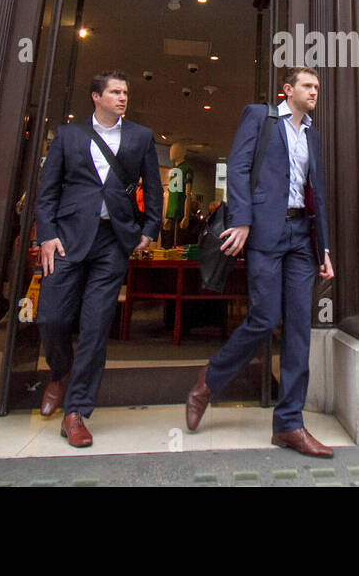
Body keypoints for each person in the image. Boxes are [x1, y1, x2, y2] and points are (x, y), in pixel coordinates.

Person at [185, 66, 336, 457]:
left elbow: (316, 192)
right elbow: (238, 167)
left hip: (302, 237)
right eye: (307, 85)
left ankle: (289, 424)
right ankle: (208, 382)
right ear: (288, 90)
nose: (314, 91)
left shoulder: (313, 135)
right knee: (265, 318)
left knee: (300, 327)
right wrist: (242, 221)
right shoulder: (260, 116)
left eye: (317, 86)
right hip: (266, 234)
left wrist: (324, 250)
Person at [34, 70, 163, 447]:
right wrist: (47, 235)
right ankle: (60, 373)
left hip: (112, 243)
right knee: (51, 316)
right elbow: (48, 192)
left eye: (126, 93)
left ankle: (76, 412)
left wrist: (149, 230)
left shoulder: (140, 137)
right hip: (68, 241)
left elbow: (152, 189)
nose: (123, 98)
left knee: (95, 327)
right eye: (115, 92)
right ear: (96, 96)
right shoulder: (68, 135)